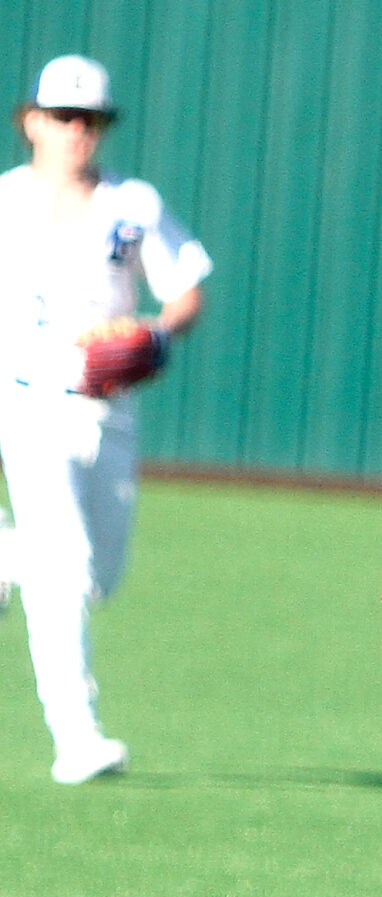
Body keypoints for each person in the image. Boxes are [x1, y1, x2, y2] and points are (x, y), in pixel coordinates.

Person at [0, 56, 212, 783]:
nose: (75, 131)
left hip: (109, 411)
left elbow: (185, 286)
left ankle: (4, 557)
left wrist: (155, 334)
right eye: (62, 116)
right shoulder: (4, 203)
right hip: (27, 400)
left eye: (90, 120)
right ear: (30, 120)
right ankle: (76, 737)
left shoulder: (133, 205)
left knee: (99, 578)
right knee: (62, 569)